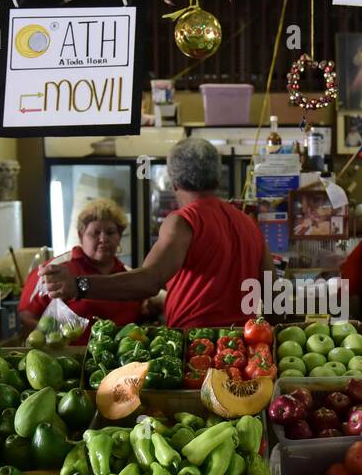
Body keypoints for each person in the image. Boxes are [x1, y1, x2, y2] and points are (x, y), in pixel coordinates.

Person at [38, 138, 272, 329]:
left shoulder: (183, 221)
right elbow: (271, 287)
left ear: (173, 181)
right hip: (243, 347)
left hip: (197, 349)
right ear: (217, 176)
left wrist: (80, 285)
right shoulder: (248, 223)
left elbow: (149, 281)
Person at [18, 198, 148, 337]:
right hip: (68, 356)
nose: (103, 239)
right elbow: (26, 317)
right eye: (95, 233)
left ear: (120, 236)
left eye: (110, 233)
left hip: (121, 357)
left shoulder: (127, 275)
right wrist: (54, 341)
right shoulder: (54, 270)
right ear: (81, 236)